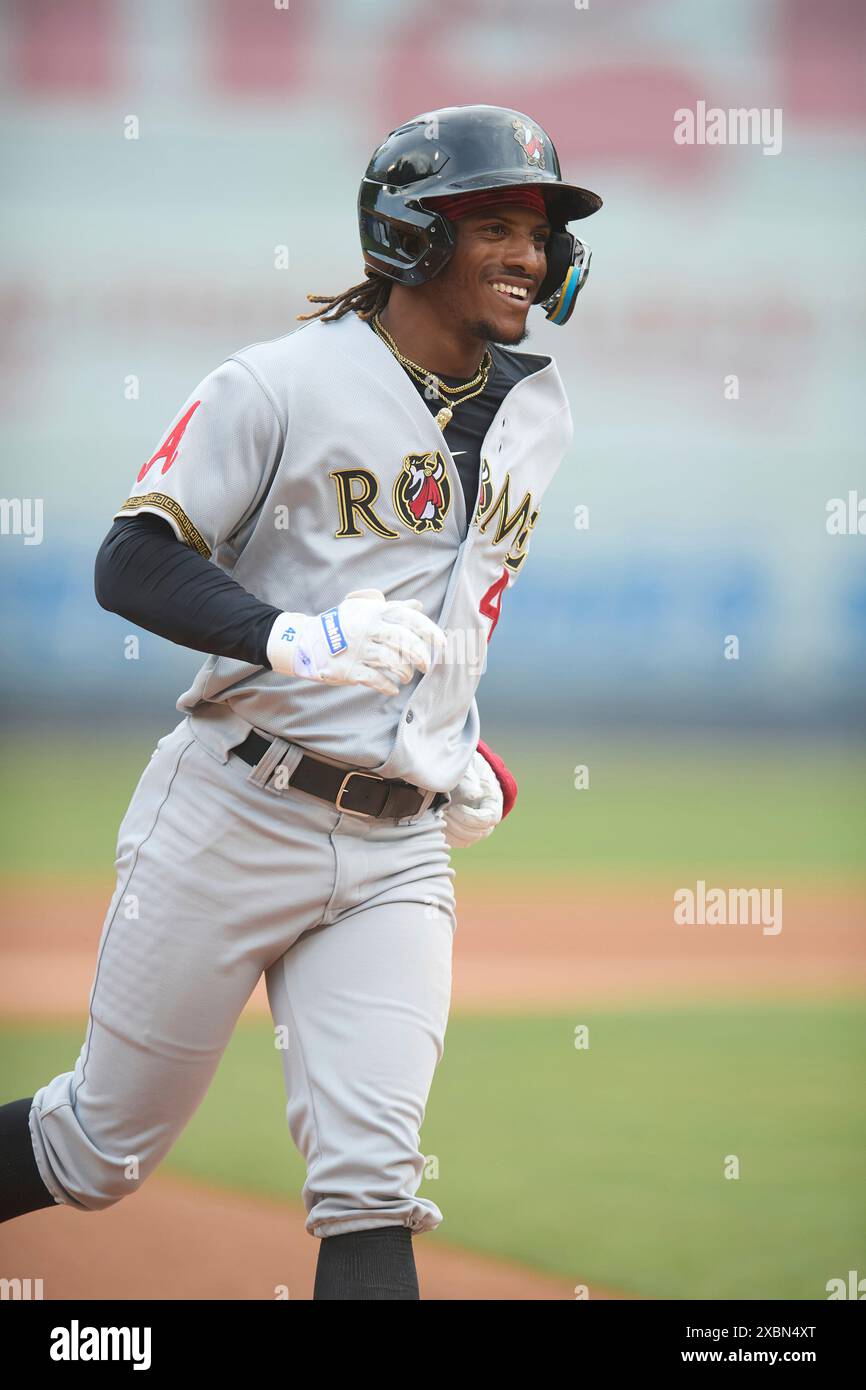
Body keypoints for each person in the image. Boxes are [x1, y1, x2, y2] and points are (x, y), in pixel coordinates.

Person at [0, 104, 600, 1300]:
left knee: (374, 1185)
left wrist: (454, 745)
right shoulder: (280, 382)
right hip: (234, 808)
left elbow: (455, 612)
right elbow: (132, 558)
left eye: (538, 230)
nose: (527, 255)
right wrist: (286, 635)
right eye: (493, 223)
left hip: (397, 851)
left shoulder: (538, 414)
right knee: (95, 1150)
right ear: (408, 234)